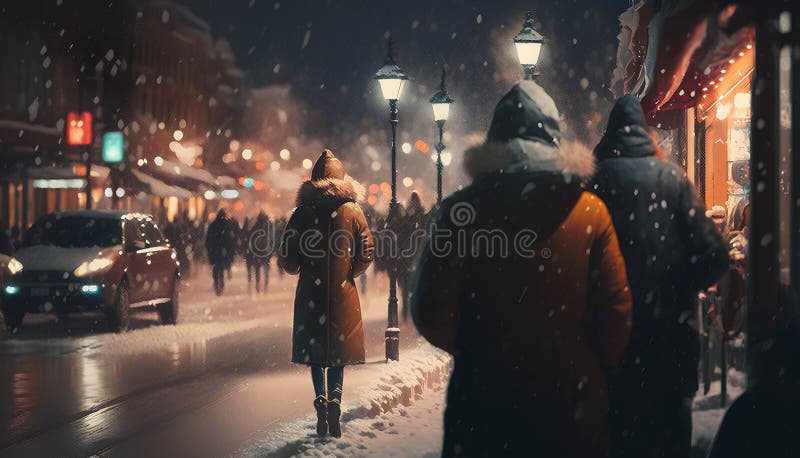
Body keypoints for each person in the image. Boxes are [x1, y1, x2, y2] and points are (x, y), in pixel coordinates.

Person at [412, 81, 632, 457]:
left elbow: (430, 309)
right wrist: (585, 365)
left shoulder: (462, 213)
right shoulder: (589, 211)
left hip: (484, 408)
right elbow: (616, 311)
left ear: (496, 141)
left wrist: (480, 352)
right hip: (570, 410)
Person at [589, 95, 729, 458]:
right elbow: (715, 256)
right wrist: (677, 289)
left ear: (610, 135)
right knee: (668, 442)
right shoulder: (672, 180)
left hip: (611, 344)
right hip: (670, 343)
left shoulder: (594, 182)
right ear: (647, 136)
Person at [278, 150, 374, 438]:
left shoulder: (302, 213)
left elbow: (288, 256)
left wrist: (299, 267)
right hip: (342, 296)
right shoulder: (353, 211)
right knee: (338, 353)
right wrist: (348, 273)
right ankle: (336, 399)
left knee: (317, 355)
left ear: (314, 179)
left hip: (311, 293)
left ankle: (320, 402)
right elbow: (367, 251)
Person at [205, 209, 237, 295]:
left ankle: (217, 283)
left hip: (215, 250)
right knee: (221, 268)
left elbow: (208, 239)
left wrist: (209, 249)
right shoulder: (226, 225)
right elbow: (230, 239)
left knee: (216, 268)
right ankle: (220, 283)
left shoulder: (213, 225)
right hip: (222, 250)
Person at [246, 211, 274, 293]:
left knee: (257, 268)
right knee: (266, 268)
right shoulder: (268, 225)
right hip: (265, 251)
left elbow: (250, 236)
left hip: (258, 251)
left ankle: (258, 284)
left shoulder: (256, 225)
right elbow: (271, 238)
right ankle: (265, 284)